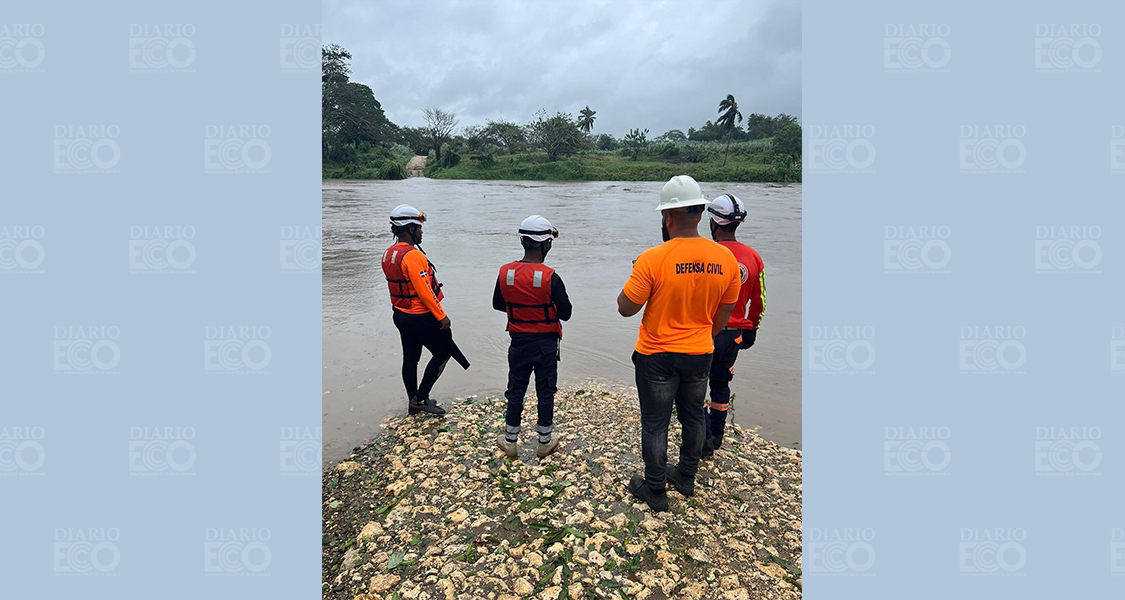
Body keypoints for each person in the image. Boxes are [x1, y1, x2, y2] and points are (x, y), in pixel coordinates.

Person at [617, 175, 740, 511]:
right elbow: (724, 314)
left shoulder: (652, 259)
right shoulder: (726, 260)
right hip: (701, 352)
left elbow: (625, 308)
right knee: (693, 417)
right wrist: (702, 337)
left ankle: (655, 488)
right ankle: (686, 476)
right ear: (700, 213)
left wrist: (635, 276)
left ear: (666, 216)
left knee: (655, 423)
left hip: (656, 355)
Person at [493, 216, 572, 459]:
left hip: (518, 343)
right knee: (545, 390)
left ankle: (510, 440)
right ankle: (545, 441)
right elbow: (566, 313)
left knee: (515, 389)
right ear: (546, 244)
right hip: (546, 345)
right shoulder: (551, 277)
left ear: (523, 242)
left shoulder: (505, 273)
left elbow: (498, 304)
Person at [703, 193, 766, 457]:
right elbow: (759, 299)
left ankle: (703, 436)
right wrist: (751, 328)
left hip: (703, 333)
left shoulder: (706, 254)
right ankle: (717, 435)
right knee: (720, 384)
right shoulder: (753, 257)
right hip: (733, 336)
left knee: (696, 385)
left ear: (714, 223)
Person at [381, 204, 451, 416]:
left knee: (411, 358)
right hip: (420, 316)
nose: (421, 232)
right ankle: (421, 398)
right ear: (409, 229)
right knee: (443, 351)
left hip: (400, 314)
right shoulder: (412, 256)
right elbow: (424, 291)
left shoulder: (389, 253)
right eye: (419, 228)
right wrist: (442, 316)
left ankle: (413, 400)